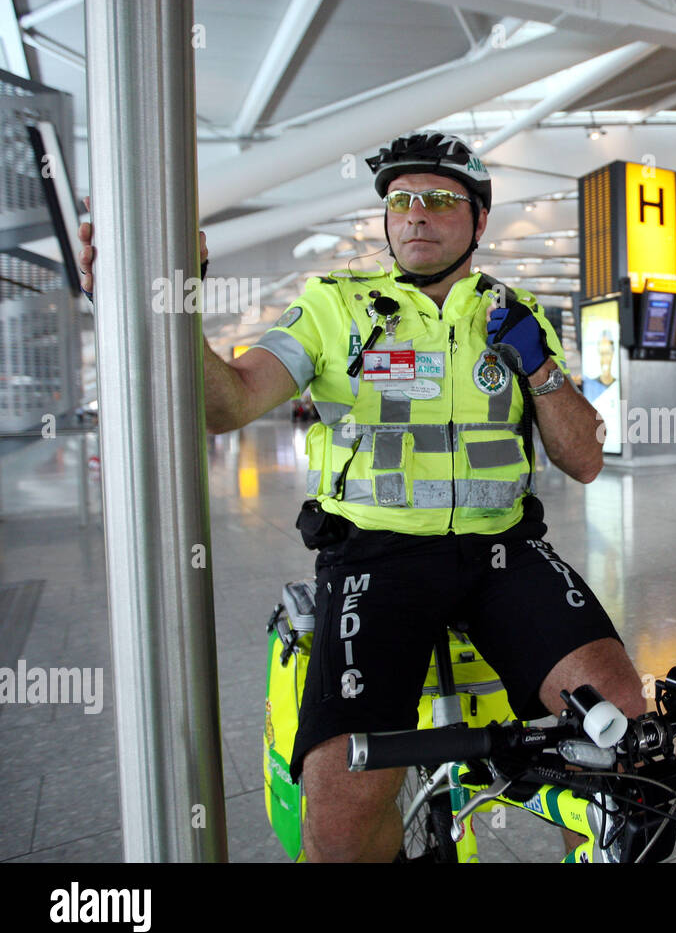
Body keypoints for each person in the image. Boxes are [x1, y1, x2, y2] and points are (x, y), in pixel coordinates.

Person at [79, 131, 643, 862]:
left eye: (439, 200)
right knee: (343, 788)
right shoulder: (332, 306)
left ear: (477, 219)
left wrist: (537, 369)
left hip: (505, 551)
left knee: (624, 731)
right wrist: (172, 302)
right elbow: (229, 403)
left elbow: (586, 461)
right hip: (377, 557)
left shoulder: (521, 313)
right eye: (401, 200)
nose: (415, 215)